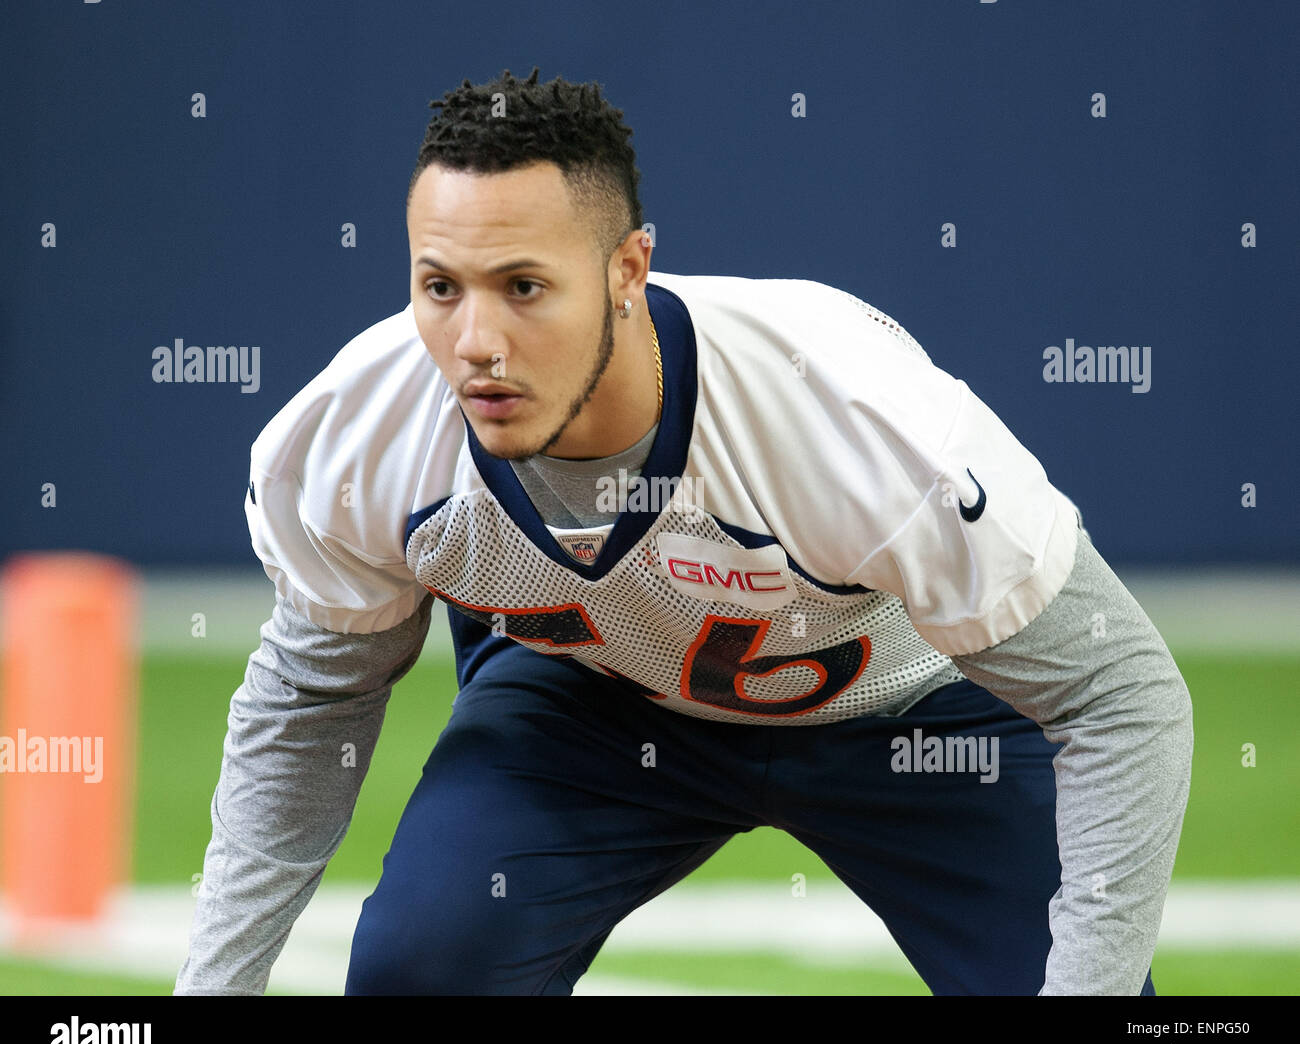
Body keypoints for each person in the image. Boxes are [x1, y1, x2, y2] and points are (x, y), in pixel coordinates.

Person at [174, 67, 1192, 996]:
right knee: (425, 969)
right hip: (600, 713)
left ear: (629, 269)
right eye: (440, 286)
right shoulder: (360, 431)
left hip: (910, 714)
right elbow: (310, 701)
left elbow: (1122, 695)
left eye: (524, 287)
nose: (474, 343)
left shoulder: (848, 413)